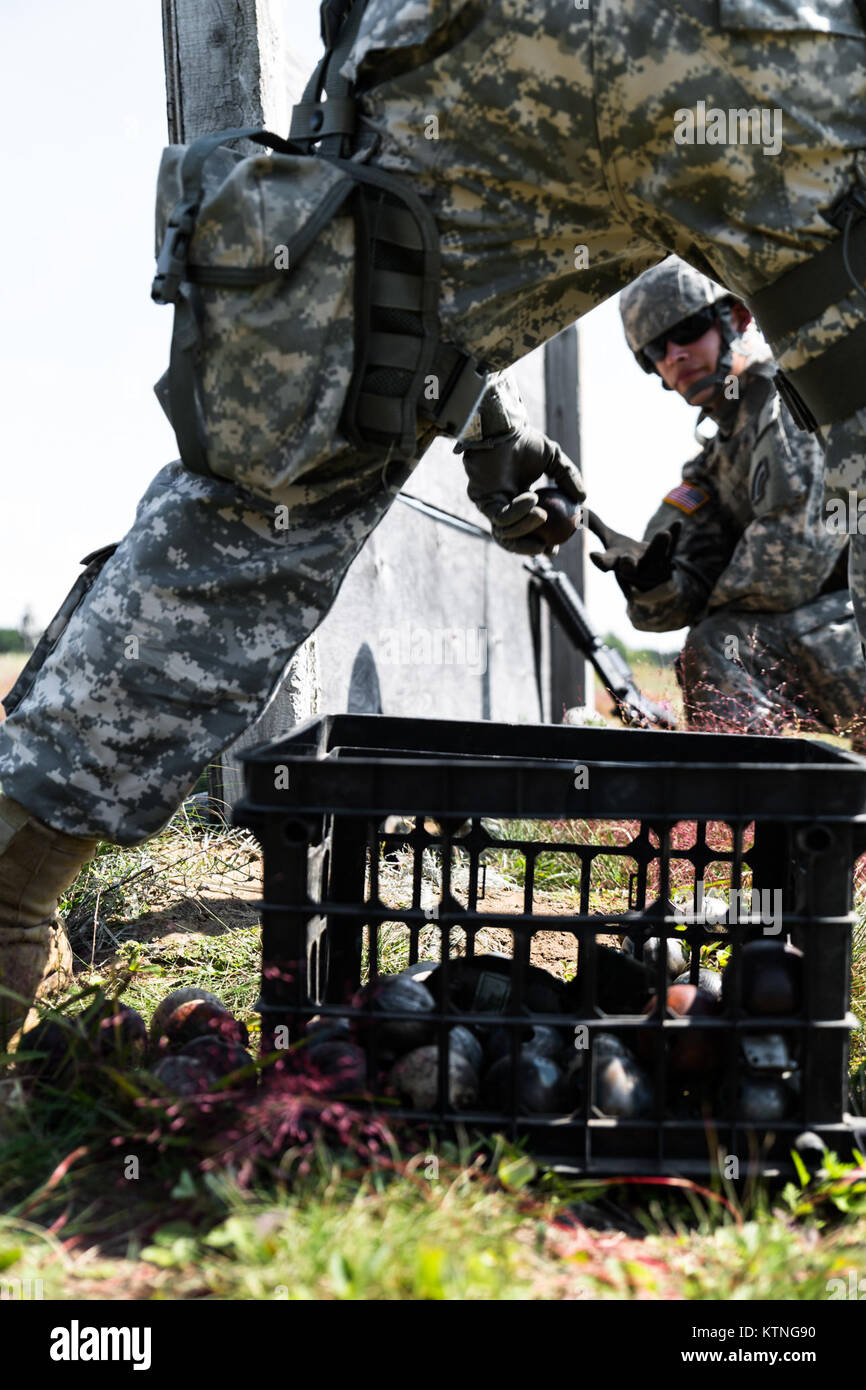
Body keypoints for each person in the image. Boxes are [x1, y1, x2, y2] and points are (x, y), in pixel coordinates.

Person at [1, 0, 865, 1045]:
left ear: (722, 327)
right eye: (655, 350)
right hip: (768, 46)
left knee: (258, 508)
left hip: (456, 56)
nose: (673, 362)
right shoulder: (718, 437)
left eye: (684, 338)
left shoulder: (753, 416)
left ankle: (10, 899)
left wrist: (469, 412)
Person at [589, 257, 866, 739]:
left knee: (719, 642)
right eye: (655, 347)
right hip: (841, 632)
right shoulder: (713, 458)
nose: (674, 354)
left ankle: (749, 805)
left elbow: (792, 562)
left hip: (849, 623)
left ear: (737, 319)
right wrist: (656, 582)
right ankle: (759, 805)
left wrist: (701, 601)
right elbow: (666, 604)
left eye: (688, 329)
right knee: (715, 639)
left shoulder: (789, 400)